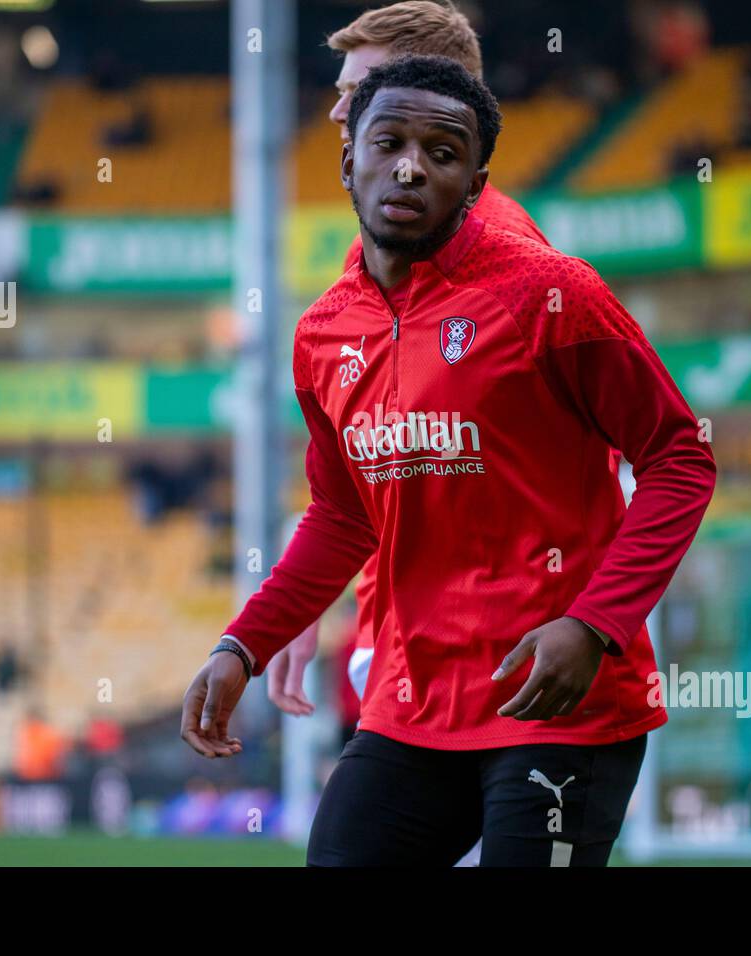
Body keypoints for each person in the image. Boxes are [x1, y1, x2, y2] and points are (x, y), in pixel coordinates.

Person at [181, 55, 716, 866]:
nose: (410, 165)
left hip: (559, 700)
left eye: (442, 151)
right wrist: (242, 646)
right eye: (388, 141)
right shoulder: (321, 335)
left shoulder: (551, 295)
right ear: (347, 161)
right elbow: (342, 516)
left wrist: (595, 625)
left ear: (475, 183)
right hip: (411, 707)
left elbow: (679, 457)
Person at [267, 0, 552, 719]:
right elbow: (377, 473)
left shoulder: (507, 258)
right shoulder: (373, 269)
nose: (338, 112)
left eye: (354, 90)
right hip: (405, 641)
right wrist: (308, 593)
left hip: (483, 660)